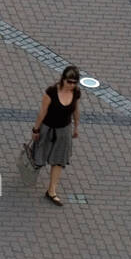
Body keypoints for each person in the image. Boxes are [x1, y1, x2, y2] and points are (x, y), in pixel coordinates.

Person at [31, 65, 81, 206]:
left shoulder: (76, 92)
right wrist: (36, 129)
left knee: (59, 160)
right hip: (47, 129)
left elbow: (76, 110)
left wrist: (76, 127)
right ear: (63, 79)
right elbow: (43, 112)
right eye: (69, 82)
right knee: (38, 157)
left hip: (64, 131)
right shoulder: (51, 92)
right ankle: (29, 174)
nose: (71, 85)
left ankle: (52, 190)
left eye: (74, 82)